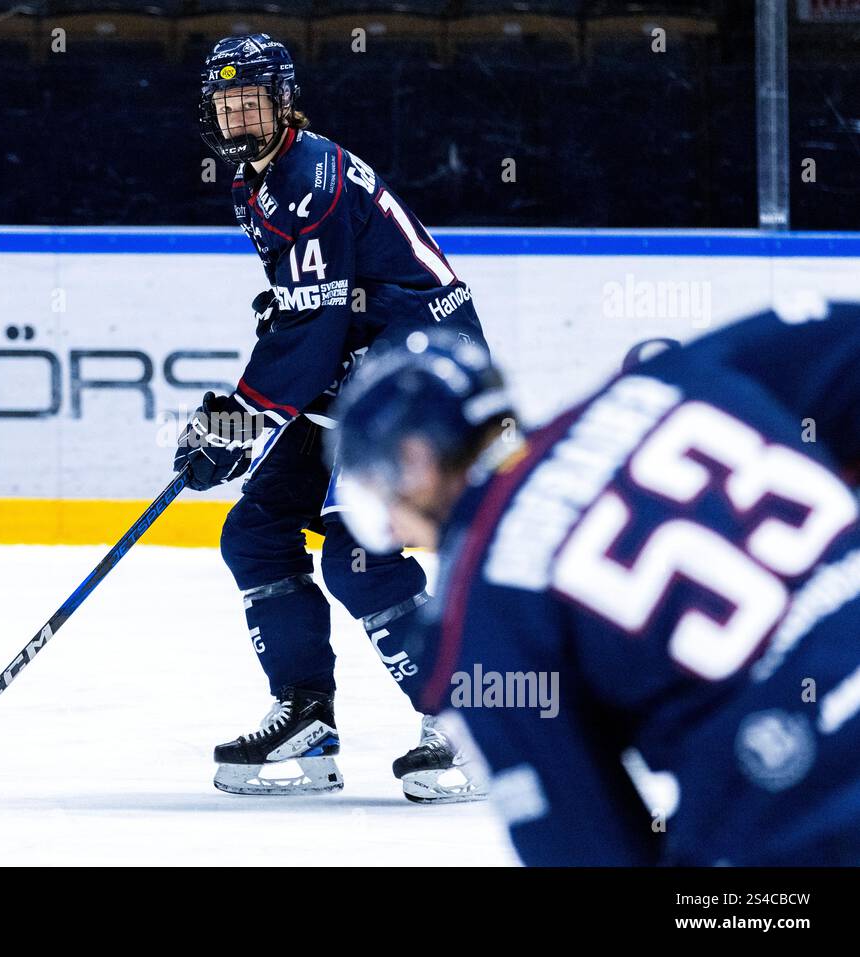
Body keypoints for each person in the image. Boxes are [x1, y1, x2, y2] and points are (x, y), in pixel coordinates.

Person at [331, 299, 860, 864]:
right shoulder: (664, 383)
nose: (389, 522)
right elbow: (840, 339)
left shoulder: (481, 610)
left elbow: (586, 847)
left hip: (807, 816)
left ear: (415, 462)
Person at [173, 33, 487, 802]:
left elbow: (314, 325)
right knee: (256, 531)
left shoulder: (311, 178)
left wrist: (243, 419)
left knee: (357, 553)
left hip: (416, 370)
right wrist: (244, 412)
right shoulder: (255, 185)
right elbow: (309, 311)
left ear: (285, 102)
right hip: (359, 368)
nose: (239, 117)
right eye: (226, 104)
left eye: (252, 102)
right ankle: (306, 716)